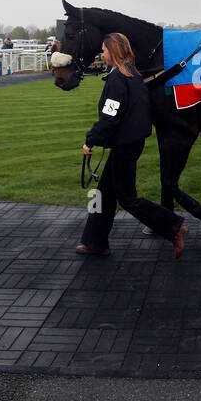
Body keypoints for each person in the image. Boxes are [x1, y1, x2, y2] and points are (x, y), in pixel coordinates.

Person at [78, 33, 187, 257]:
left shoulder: (118, 79)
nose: (102, 53)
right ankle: (95, 242)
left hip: (125, 145)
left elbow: (110, 118)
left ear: (114, 52)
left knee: (127, 199)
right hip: (131, 143)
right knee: (103, 194)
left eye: (104, 50)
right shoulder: (133, 75)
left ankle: (173, 226)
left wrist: (91, 140)